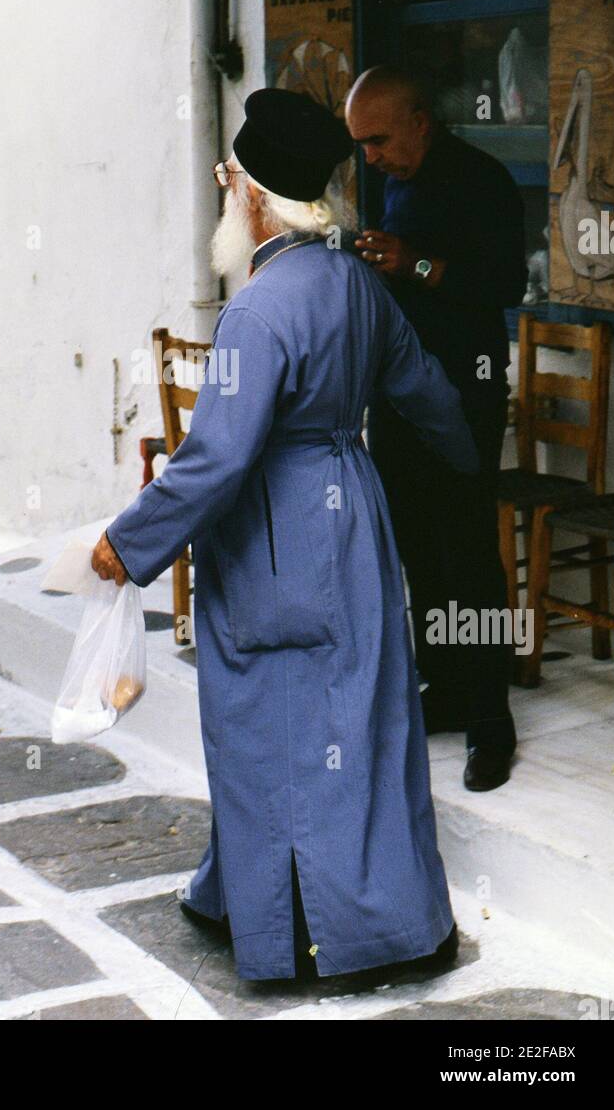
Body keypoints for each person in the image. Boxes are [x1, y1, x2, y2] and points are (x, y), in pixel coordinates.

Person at [91, 88, 479, 983]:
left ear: (254, 198)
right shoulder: (353, 280)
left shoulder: (256, 312)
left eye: (229, 178)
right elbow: (422, 387)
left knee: (271, 729)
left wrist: (127, 541)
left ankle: (313, 938)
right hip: (354, 516)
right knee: (361, 722)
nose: (224, 188)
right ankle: (307, 906)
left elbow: (217, 458)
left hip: (277, 536)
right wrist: (467, 467)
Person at [345, 65, 527, 793]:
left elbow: (503, 286)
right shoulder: (390, 177)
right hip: (397, 397)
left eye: (379, 140)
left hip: (463, 398)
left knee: (469, 560)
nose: (370, 157)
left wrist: (412, 262)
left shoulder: (481, 180)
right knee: (417, 550)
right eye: (360, 145)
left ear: (419, 120)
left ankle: (490, 723)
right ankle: (445, 689)